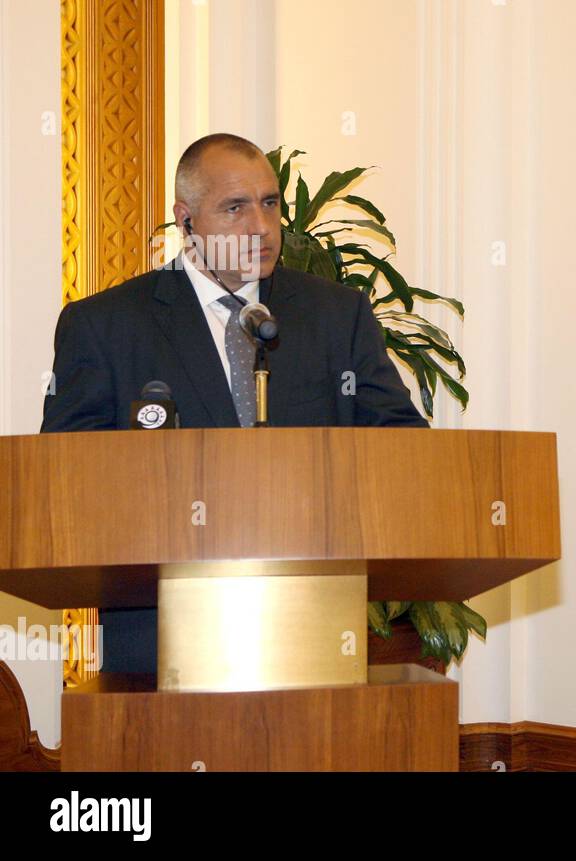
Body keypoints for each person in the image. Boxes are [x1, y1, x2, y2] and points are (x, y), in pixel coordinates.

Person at [41, 133, 428, 673]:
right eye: (234, 208)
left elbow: (402, 444)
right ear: (187, 219)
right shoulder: (106, 325)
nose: (261, 227)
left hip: (315, 623)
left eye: (270, 203)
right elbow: (65, 475)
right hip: (157, 638)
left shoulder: (336, 316)